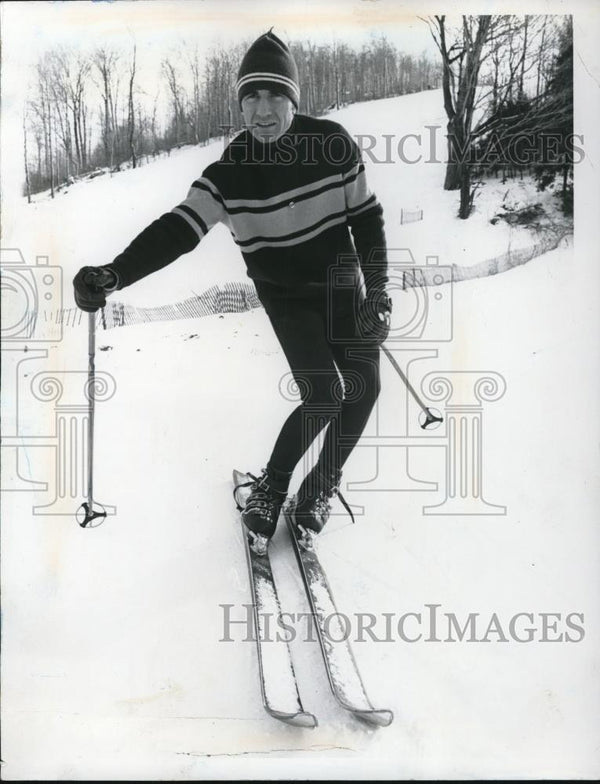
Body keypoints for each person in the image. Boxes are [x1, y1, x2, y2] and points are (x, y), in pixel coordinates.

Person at [73, 30, 391, 551]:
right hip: (284, 295)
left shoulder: (333, 146)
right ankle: (272, 487)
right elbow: (176, 231)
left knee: (365, 386)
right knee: (323, 394)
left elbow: (368, 219)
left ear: (293, 98)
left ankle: (319, 488)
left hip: (340, 285)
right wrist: (115, 273)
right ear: (240, 105)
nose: (263, 110)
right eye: (251, 98)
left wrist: (377, 290)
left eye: (274, 96)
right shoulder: (228, 175)